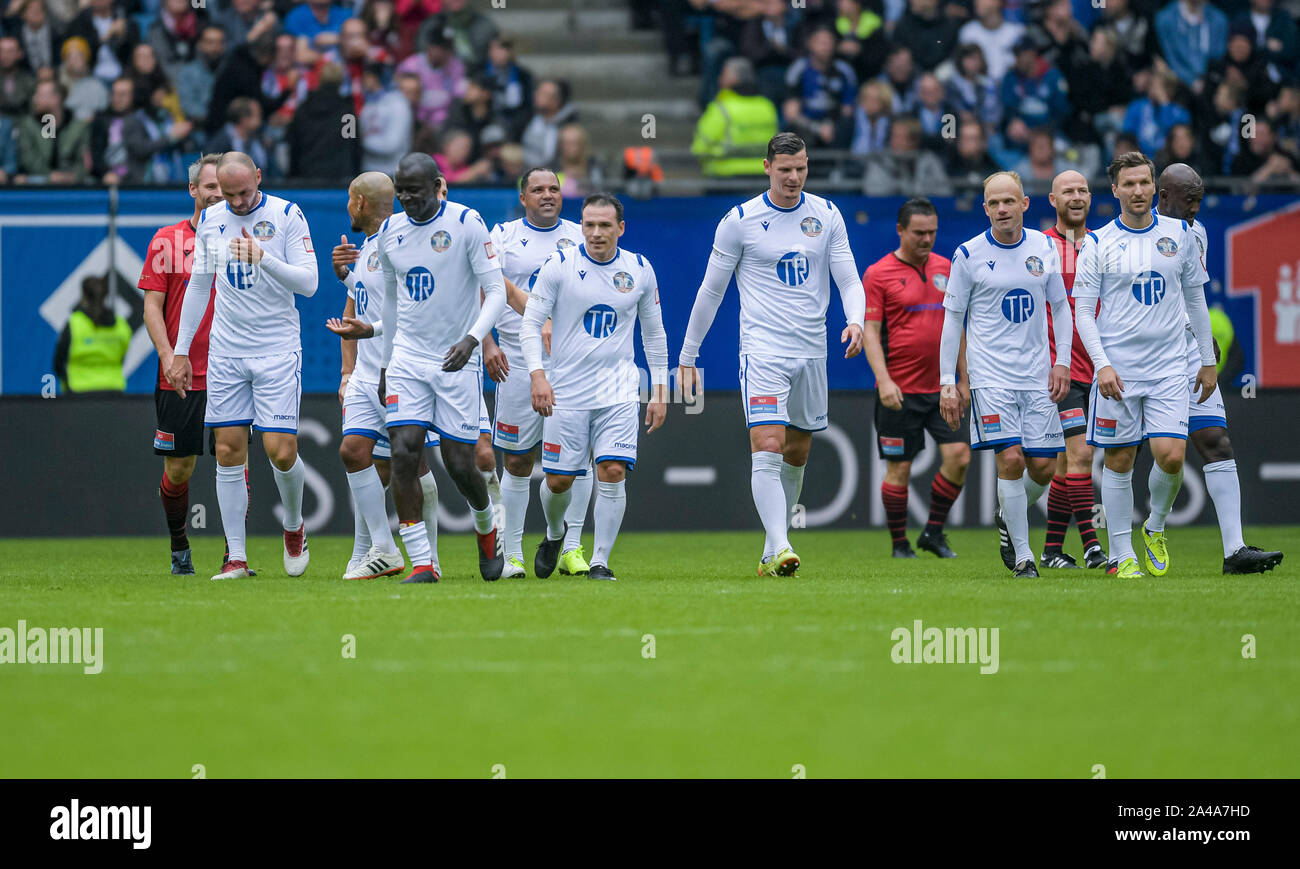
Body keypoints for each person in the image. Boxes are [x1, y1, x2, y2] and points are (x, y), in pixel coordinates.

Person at [678, 132, 867, 577]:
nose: (794, 177)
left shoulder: (826, 214)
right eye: (785, 170)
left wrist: (854, 319)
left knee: (797, 453)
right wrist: (689, 355)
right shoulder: (740, 220)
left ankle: (770, 547)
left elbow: (848, 278)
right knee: (768, 445)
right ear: (767, 168)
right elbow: (710, 291)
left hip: (813, 351)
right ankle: (783, 545)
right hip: (763, 351)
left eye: (801, 168)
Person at [167, 151, 320, 581]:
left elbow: (309, 284)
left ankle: (293, 526)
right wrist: (181, 352)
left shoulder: (287, 214)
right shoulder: (214, 219)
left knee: (280, 450)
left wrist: (262, 257)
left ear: (258, 175)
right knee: (229, 451)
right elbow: (200, 283)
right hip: (227, 351)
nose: (236, 202)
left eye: (244, 192)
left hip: (276, 348)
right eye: (229, 194)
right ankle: (236, 556)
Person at [1072, 151, 1216, 579]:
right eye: (1128, 184)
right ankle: (1121, 555)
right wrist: (1101, 365)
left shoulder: (1180, 235)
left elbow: (1196, 299)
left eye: (1144, 183)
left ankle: (1154, 526)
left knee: (1171, 457)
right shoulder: (1098, 242)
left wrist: (1206, 361)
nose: (1137, 191)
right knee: (1118, 460)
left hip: (1170, 367)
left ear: (1155, 188)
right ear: (1114, 190)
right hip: (1119, 370)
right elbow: (1082, 311)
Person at [522, 193, 669, 582]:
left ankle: (601, 561)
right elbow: (530, 322)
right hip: (566, 390)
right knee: (558, 481)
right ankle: (556, 534)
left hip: (618, 390)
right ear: (581, 226)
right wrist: (538, 374)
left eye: (605, 225)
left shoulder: (639, 269)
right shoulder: (560, 264)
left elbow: (654, 334)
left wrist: (660, 389)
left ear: (621, 228)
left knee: (612, 470)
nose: (596, 233)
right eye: (589, 225)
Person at [376, 153, 507, 583]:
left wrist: (472, 340)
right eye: (400, 191)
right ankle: (423, 562)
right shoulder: (389, 232)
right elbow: (391, 303)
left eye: (413, 190)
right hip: (408, 360)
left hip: (456, 360)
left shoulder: (467, 223)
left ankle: (486, 525)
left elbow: (495, 293)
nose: (405, 198)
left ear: (437, 185)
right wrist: (385, 363)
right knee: (403, 452)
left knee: (459, 464)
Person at [938, 171, 1073, 577]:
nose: (1001, 209)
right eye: (993, 203)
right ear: (985, 209)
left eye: (1008, 202)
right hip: (990, 378)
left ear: (1024, 204)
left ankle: (1006, 516)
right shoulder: (968, 255)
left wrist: (1062, 361)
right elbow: (952, 319)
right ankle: (1024, 556)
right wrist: (948, 381)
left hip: (1037, 376)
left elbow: (1062, 308)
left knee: (1044, 467)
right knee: (1011, 460)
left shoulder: (1045, 247)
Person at [1150, 163, 1283, 574]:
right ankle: (1150, 528)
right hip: (1146, 358)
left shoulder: (1198, 233)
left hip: (1188, 354)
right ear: (1164, 194)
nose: (1194, 208)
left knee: (1215, 440)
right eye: (1188, 200)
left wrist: (1205, 347)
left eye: (1199, 201)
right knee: (1154, 457)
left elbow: (1195, 297)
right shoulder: (1133, 233)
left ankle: (1234, 551)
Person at [325, 171, 440, 580]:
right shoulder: (372, 246)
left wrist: (372, 337)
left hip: (403, 370)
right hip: (367, 370)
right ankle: (385, 548)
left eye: (349, 201)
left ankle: (431, 558)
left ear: (359, 203)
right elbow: (372, 301)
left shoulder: (402, 242)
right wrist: (348, 278)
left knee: (415, 464)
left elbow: (407, 312)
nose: (347, 209)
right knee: (353, 451)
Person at [487, 167, 592, 579]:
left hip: (569, 362)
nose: (548, 195)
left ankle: (568, 544)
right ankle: (512, 554)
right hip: (514, 357)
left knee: (573, 462)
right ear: (523, 196)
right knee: (516, 461)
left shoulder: (581, 234)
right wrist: (488, 343)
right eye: (538, 190)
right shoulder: (503, 237)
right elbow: (485, 287)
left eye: (554, 188)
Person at [863, 198, 968, 559]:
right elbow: (871, 332)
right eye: (919, 233)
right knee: (900, 467)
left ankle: (933, 533)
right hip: (899, 391)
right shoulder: (878, 274)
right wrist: (884, 380)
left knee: (959, 456)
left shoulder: (948, 268)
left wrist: (963, 379)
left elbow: (959, 329)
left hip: (942, 390)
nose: (927, 239)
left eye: (932, 232)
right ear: (900, 231)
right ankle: (899, 545)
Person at [139, 154, 223, 576]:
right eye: (210, 187)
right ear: (193, 190)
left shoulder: (243, 240)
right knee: (180, 467)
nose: (218, 194)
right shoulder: (166, 240)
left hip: (231, 370)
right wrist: (169, 355)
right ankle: (179, 547)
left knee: (232, 458)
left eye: (224, 187)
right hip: (182, 374)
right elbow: (152, 307)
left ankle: (235, 555)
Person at [1040, 169, 1107, 570]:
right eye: (1068, 191)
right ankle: (1092, 546)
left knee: (1067, 463)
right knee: (1080, 454)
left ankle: (1050, 551)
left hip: (1100, 368)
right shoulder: (1039, 249)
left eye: (1083, 190)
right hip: (1059, 370)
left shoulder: (1104, 246)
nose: (1077, 196)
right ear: (1053, 200)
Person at [692, 56, 778, 178]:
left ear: (733, 78)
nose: (719, 78)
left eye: (723, 73)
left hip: (725, 180)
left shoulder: (721, 108)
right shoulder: (767, 107)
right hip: (763, 177)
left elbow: (700, 148)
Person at [53, 273, 131, 393]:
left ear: (83, 296)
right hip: (113, 391)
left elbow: (58, 363)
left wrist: (67, 387)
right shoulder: (121, 326)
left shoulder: (74, 324)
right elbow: (122, 358)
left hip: (79, 391)